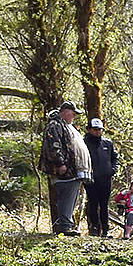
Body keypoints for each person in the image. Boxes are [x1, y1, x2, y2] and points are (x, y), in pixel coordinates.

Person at [39, 101, 90, 236]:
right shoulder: (55, 125)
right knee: (66, 195)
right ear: (65, 111)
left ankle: (66, 224)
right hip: (63, 169)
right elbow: (53, 146)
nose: (73, 116)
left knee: (71, 195)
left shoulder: (65, 125)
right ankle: (64, 226)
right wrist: (60, 163)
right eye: (72, 113)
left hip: (71, 169)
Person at [84, 117, 118, 238]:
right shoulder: (84, 143)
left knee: (104, 205)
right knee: (93, 203)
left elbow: (115, 158)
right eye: (95, 129)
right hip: (91, 179)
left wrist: (113, 170)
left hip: (106, 179)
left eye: (100, 129)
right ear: (89, 129)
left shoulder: (108, 143)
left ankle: (105, 229)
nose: (98, 132)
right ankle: (94, 228)